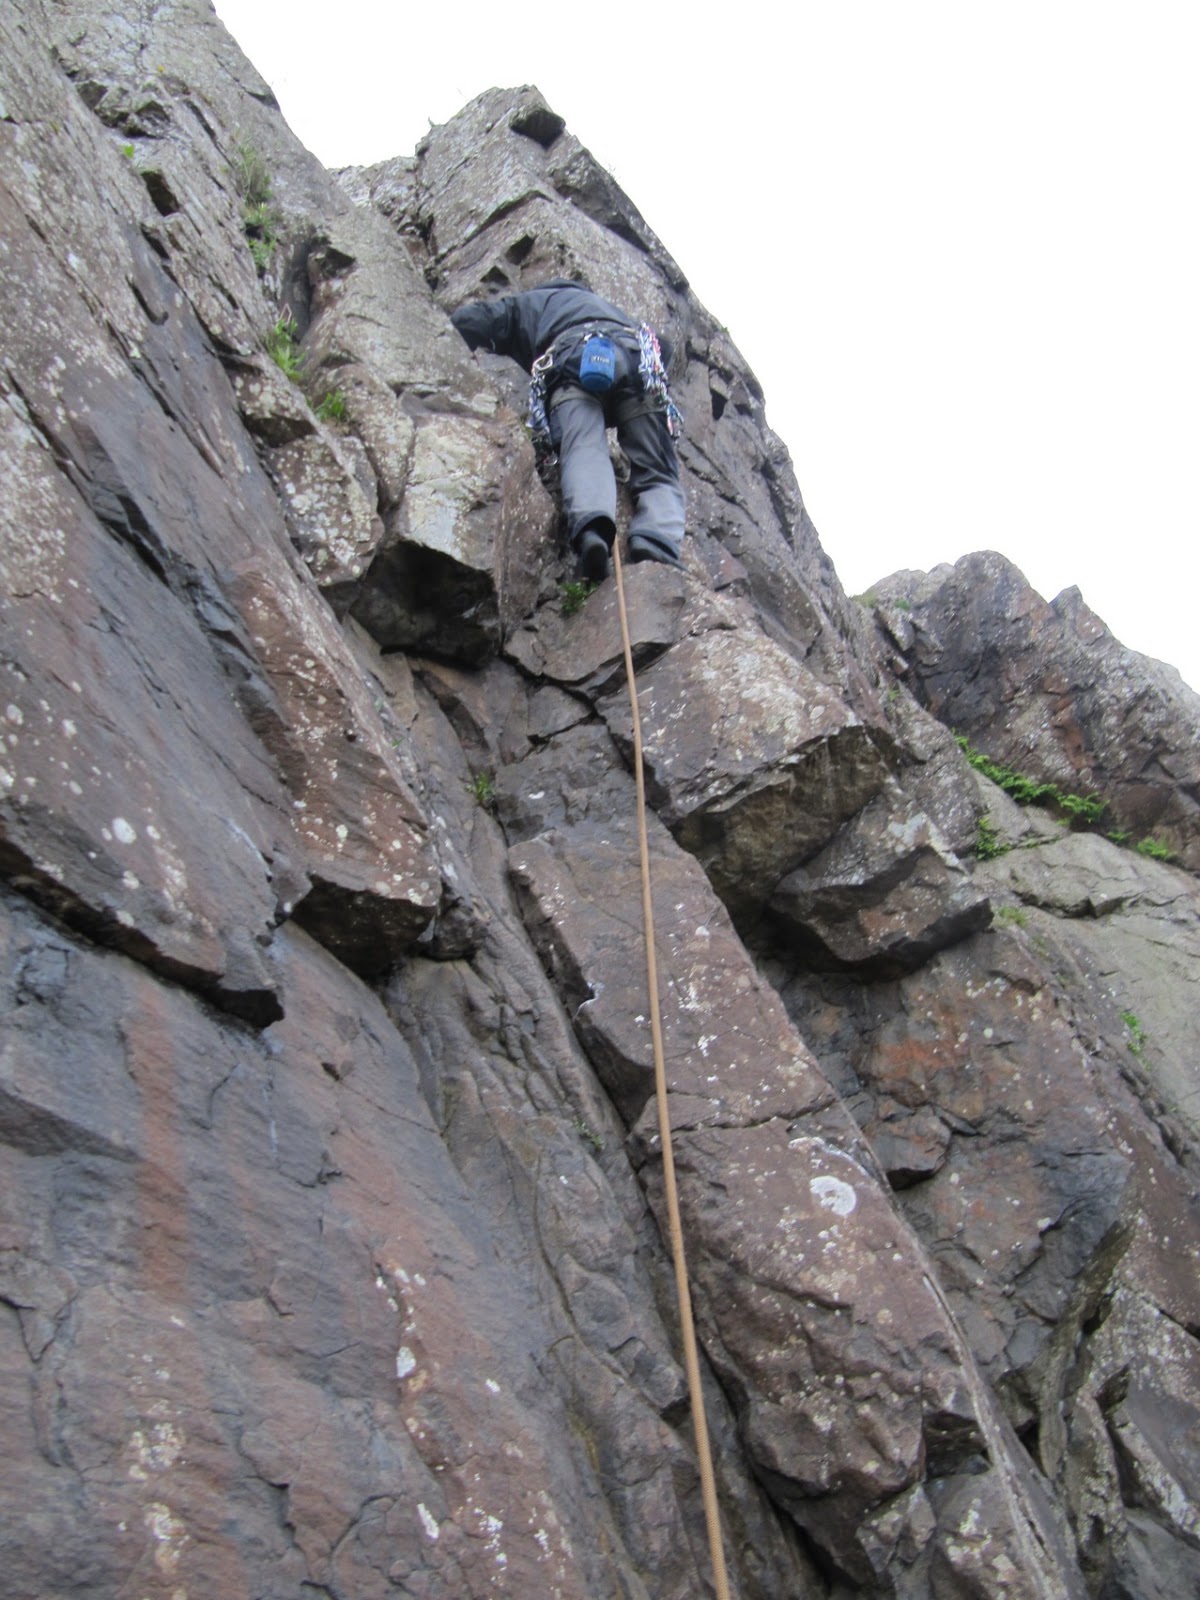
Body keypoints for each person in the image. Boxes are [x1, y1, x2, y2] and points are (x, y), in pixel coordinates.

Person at [450, 279, 685, 581]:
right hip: (636, 358)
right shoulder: (606, 306)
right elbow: (662, 347)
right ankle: (658, 539)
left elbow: (470, 320)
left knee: (583, 447)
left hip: (573, 358)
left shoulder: (528, 303)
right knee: (657, 466)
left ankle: (593, 532)